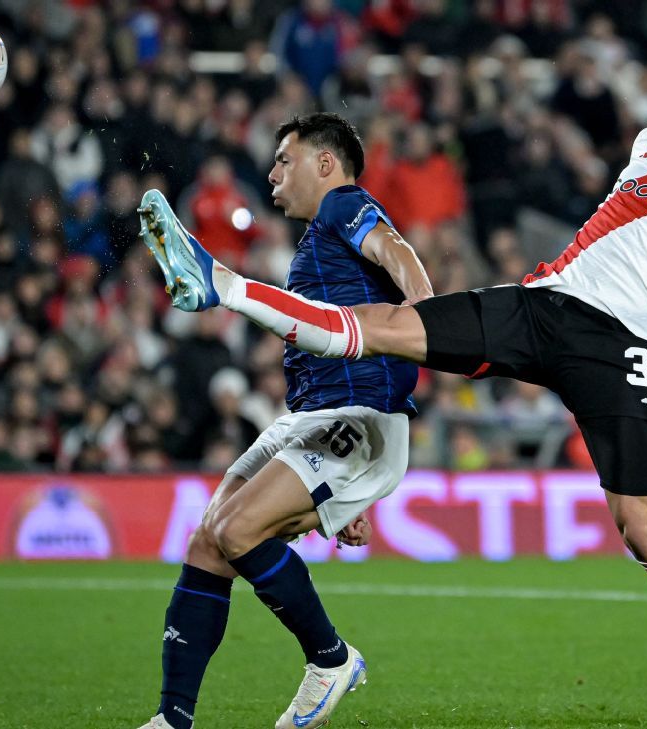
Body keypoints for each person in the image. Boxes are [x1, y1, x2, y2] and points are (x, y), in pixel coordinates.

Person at [142, 36, 647, 729]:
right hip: (544, 304)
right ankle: (222, 283)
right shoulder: (646, 146)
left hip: (623, 349)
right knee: (386, 331)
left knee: (641, 528)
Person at [134, 113, 434, 729]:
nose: (271, 173)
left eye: (283, 160)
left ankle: (330, 658)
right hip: (315, 418)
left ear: (325, 164)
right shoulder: (322, 238)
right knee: (210, 540)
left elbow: (396, 250)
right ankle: (172, 718)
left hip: (356, 418)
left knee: (240, 529)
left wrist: (430, 319)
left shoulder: (344, 205)